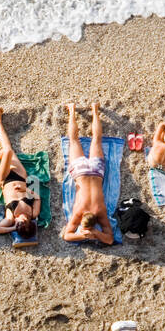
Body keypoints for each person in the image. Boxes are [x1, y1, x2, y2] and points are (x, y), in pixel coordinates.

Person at [61, 102, 115, 245]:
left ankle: (94, 109)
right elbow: (67, 235)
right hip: (81, 172)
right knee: (74, 141)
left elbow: (67, 236)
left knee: (96, 140)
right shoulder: (82, 212)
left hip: (96, 171)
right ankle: (72, 109)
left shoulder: (99, 212)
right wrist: (94, 234)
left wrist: (87, 235)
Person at [0, 107, 41, 238]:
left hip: (4, 180)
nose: (21, 219)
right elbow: (36, 191)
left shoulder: (11, 217)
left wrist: (12, 227)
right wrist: (25, 190)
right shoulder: (34, 212)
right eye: (24, 221)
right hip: (21, 176)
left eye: (19, 223)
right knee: (8, 149)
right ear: (30, 222)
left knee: (8, 152)